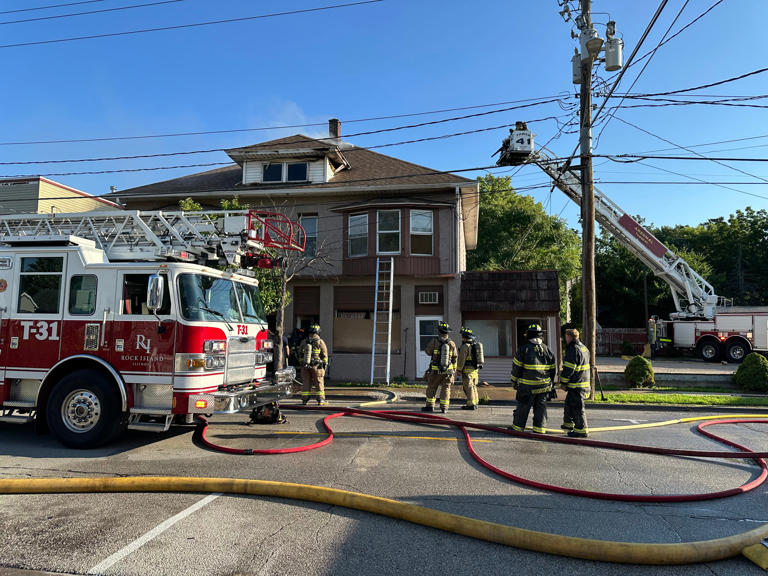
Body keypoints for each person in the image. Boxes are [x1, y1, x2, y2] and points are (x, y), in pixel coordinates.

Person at [510, 323, 556, 433]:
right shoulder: (547, 350)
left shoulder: (523, 349)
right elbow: (553, 370)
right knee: (541, 408)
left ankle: (518, 428)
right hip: (544, 387)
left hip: (527, 387)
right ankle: (540, 429)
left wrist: (514, 381)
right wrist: (551, 384)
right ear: (540, 335)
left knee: (523, 407)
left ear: (529, 335)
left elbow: (516, 368)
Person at [559, 328, 590, 438]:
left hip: (577, 385)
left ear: (569, 336)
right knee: (569, 404)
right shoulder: (584, 348)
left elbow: (569, 368)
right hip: (583, 383)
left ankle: (581, 429)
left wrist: (563, 382)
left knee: (577, 407)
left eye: (565, 336)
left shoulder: (573, 348)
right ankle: (568, 424)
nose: (565, 339)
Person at [422, 321, 458, 413]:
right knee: (446, 389)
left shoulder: (434, 341)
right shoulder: (452, 343)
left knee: (432, 387)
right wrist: (453, 369)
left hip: (435, 371)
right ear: (447, 332)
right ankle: (444, 408)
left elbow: (427, 352)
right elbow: (455, 358)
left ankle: (430, 406)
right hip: (448, 372)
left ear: (439, 331)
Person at [300, 324, 328, 406]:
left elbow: (299, 353)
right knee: (319, 382)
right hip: (317, 366)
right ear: (318, 332)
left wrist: (303, 363)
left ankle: (304, 401)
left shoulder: (304, 341)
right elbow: (324, 355)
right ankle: (321, 400)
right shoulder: (320, 342)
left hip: (305, 366)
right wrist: (324, 365)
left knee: (306, 383)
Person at [456, 327, 482, 410]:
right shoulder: (474, 344)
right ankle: (476, 402)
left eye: (462, 336)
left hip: (467, 371)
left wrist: (459, 369)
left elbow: (461, 359)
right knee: (473, 386)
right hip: (474, 370)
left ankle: (470, 405)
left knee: (468, 388)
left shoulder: (464, 346)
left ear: (464, 337)